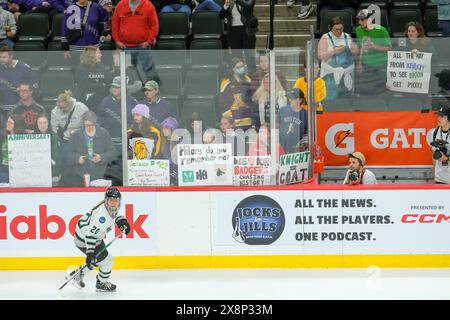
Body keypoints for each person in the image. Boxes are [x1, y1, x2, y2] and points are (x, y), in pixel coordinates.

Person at [69, 187, 130, 292]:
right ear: (106, 201)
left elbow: (114, 215)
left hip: (91, 236)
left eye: (116, 200)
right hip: (85, 239)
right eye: (111, 200)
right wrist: (90, 253)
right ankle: (101, 283)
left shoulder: (108, 207)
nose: (114, 203)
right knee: (106, 261)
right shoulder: (101, 218)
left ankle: (77, 275)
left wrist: (122, 221)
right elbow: (90, 236)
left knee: (97, 260)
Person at [112, 0, 160, 84]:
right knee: (126, 72)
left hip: (142, 47)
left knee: (147, 71)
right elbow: (115, 24)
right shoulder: (121, 5)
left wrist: (149, 41)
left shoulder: (148, 5)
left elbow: (154, 25)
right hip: (124, 48)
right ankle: (130, 94)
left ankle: (151, 92)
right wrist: (117, 40)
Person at [66, 110, 114, 186]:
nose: (88, 127)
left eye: (91, 125)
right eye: (86, 125)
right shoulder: (76, 135)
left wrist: (101, 157)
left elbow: (111, 152)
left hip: (100, 175)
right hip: (80, 175)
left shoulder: (104, 133)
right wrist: (77, 158)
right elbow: (68, 153)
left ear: (95, 123)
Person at [96, 76, 138, 158]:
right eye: (113, 86)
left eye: (117, 87)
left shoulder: (132, 102)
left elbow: (137, 121)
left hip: (128, 142)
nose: (114, 89)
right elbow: (99, 121)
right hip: (110, 143)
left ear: (124, 88)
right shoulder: (104, 102)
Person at [318, 16, 358, 101]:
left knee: (345, 100)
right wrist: (334, 51)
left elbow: (356, 51)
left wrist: (348, 48)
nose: (339, 31)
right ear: (331, 28)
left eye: (341, 28)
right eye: (336, 29)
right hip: (330, 75)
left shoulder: (347, 36)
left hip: (346, 73)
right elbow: (321, 56)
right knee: (331, 99)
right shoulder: (325, 37)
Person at [355, 9, 392, 95]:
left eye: (362, 20)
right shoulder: (358, 30)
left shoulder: (381, 30)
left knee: (381, 92)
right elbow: (361, 47)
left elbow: (389, 48)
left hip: (381, 64)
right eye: (359, 20)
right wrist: (360, 62)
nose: (359, 22)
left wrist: (373, 46)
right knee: (367, 91)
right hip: (366, 65)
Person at [219, 0, 258, 74]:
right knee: (236, 56)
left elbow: (248, 7)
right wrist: (226, 5)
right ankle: (239, 78)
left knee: (249, 56)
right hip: (234, 31)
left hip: (247, 30)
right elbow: (221, 15)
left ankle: (253, 77)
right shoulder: (231, 3)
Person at [220, 57, 255, 131]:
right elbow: (223, 103)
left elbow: (253, 98)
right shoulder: (226, 82)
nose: (242, 68)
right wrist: (230, 120)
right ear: (233, 69)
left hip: (248, 121)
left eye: (242, 66)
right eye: (239, 67)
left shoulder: (248, 79)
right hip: (234, 122)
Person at [0, 45, 38, 110]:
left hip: (21, 107)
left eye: (4, 57)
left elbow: (35, 84)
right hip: (4, 107)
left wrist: (23, 89)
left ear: (11, 56)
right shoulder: (1, 67)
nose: (1, 59)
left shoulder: (24, 68)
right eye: (0, 57)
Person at [75, 46, 112, 111]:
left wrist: (100, 85)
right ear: (91, 54)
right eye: (99, 53)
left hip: (101, 98)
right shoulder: (81, 68)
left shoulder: (101, 66)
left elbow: (108, 81)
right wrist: (101, 85)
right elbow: (85, 86)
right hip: (86, 101)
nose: (101, 55)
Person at [279, 88, 308, 154]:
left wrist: (302, 145)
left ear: (300, 100)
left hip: (297, 151)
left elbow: (308, 133)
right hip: (281, 147)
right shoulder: (282, 110)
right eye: (290, 98)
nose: (291, 100)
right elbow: (275, 127)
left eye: (293, 98)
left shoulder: (305, 114)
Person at [36, 113, 62, 186]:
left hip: (52, 174)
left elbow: (56, 156)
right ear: (37, 124)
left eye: (45, 123)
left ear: (48, 124)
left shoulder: (54, 137)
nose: (42, 125)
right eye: (40, 123)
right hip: (37, 175)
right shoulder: (33, 136)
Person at [0, 113, 26, 183]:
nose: (7, 124)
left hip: (20, 171)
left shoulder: (24, 137)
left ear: (16, 125)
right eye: (7, 122)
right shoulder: (2, 135)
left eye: (10, 123)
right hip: (4, 170)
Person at [431, 105, 450, 184]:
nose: (438, 118)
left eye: (442, 116)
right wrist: (434, 176)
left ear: (448, 118)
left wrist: (447, 159)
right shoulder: (434, 133)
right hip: (439, 179)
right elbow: (433, 156)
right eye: (438, 116)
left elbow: (445, 158)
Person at [160, 116, 180, 185]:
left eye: (166, 128)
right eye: (163, 128)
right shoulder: (162, 143)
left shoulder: (180, 142)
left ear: (172, 129)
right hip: (164, 179)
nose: (163, 130)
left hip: (178, 180)